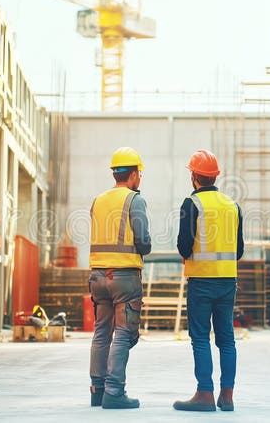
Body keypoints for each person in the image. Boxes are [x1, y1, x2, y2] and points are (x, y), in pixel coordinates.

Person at [173, 149, 244, 412]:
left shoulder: (192, 204)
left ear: (193, 176)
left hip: (201, 281)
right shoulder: (233, 206)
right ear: (215, 177)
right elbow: (238, 251)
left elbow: (183, 246)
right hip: (227, 282)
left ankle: (204, 394)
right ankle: (227, 396)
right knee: (226, 339)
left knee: (201, 337)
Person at [88, 147, 152, 409]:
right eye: (140, 174)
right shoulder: (134, 200)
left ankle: (98, 390)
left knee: (102, 332)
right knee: (124, 333)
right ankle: (114, 392)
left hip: (97, 276)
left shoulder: (98, 200)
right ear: (134, 174)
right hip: (124, 277)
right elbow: (143, 241)